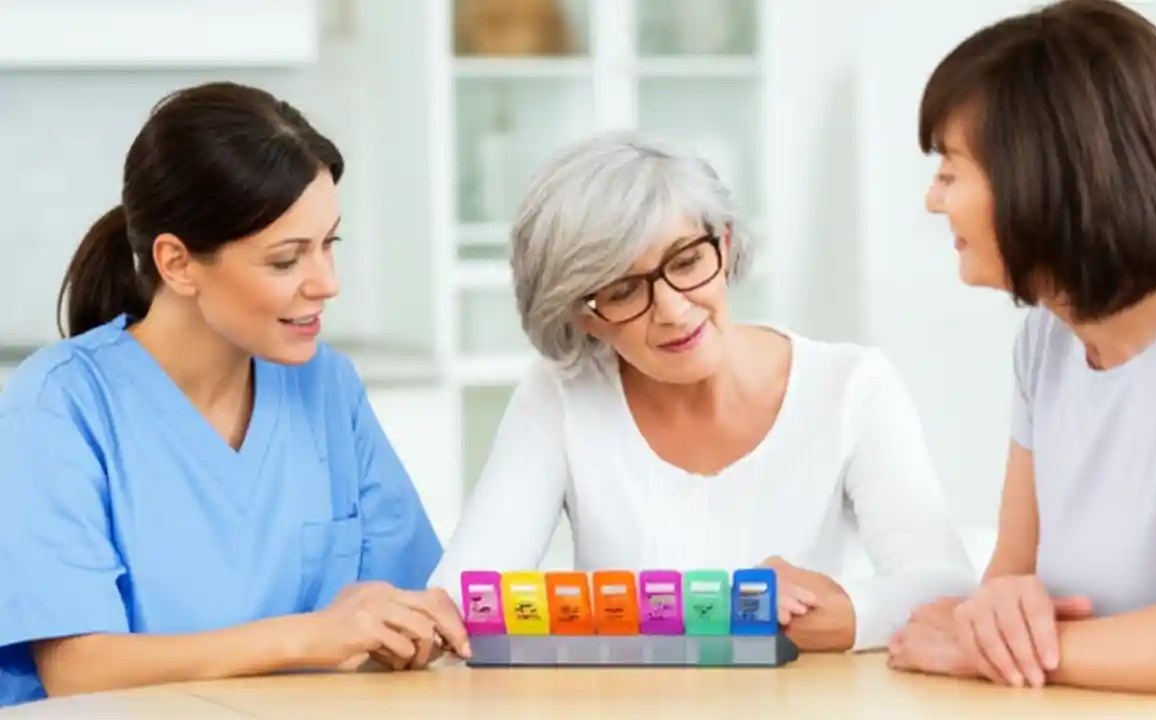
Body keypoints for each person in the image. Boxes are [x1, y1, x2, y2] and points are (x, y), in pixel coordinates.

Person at [0, 82, 466, 706]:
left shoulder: (325, 386)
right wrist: (309, 637)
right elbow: (80, 669)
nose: (326, 283)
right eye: (285, 260)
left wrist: (409, 624)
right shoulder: (61, 404)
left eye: (329, 243)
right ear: (178, 263)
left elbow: (411, 602)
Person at [423, 130, 975, 653]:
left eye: (686, 262)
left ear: (725, 244)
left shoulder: (852, 388)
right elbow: (464, 599)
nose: (673, 309)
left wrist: (847, 613)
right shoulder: (560, 397)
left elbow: (946, 589)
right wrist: (729, 608)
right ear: (586, 318)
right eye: (622, 291)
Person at [887, 0, 1156, 702]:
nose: (932, 200)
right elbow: (1011, 577)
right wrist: (996, 623)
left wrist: (983, 652)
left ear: (1044, 175)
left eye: (950, 169)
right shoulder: (1049, 336)